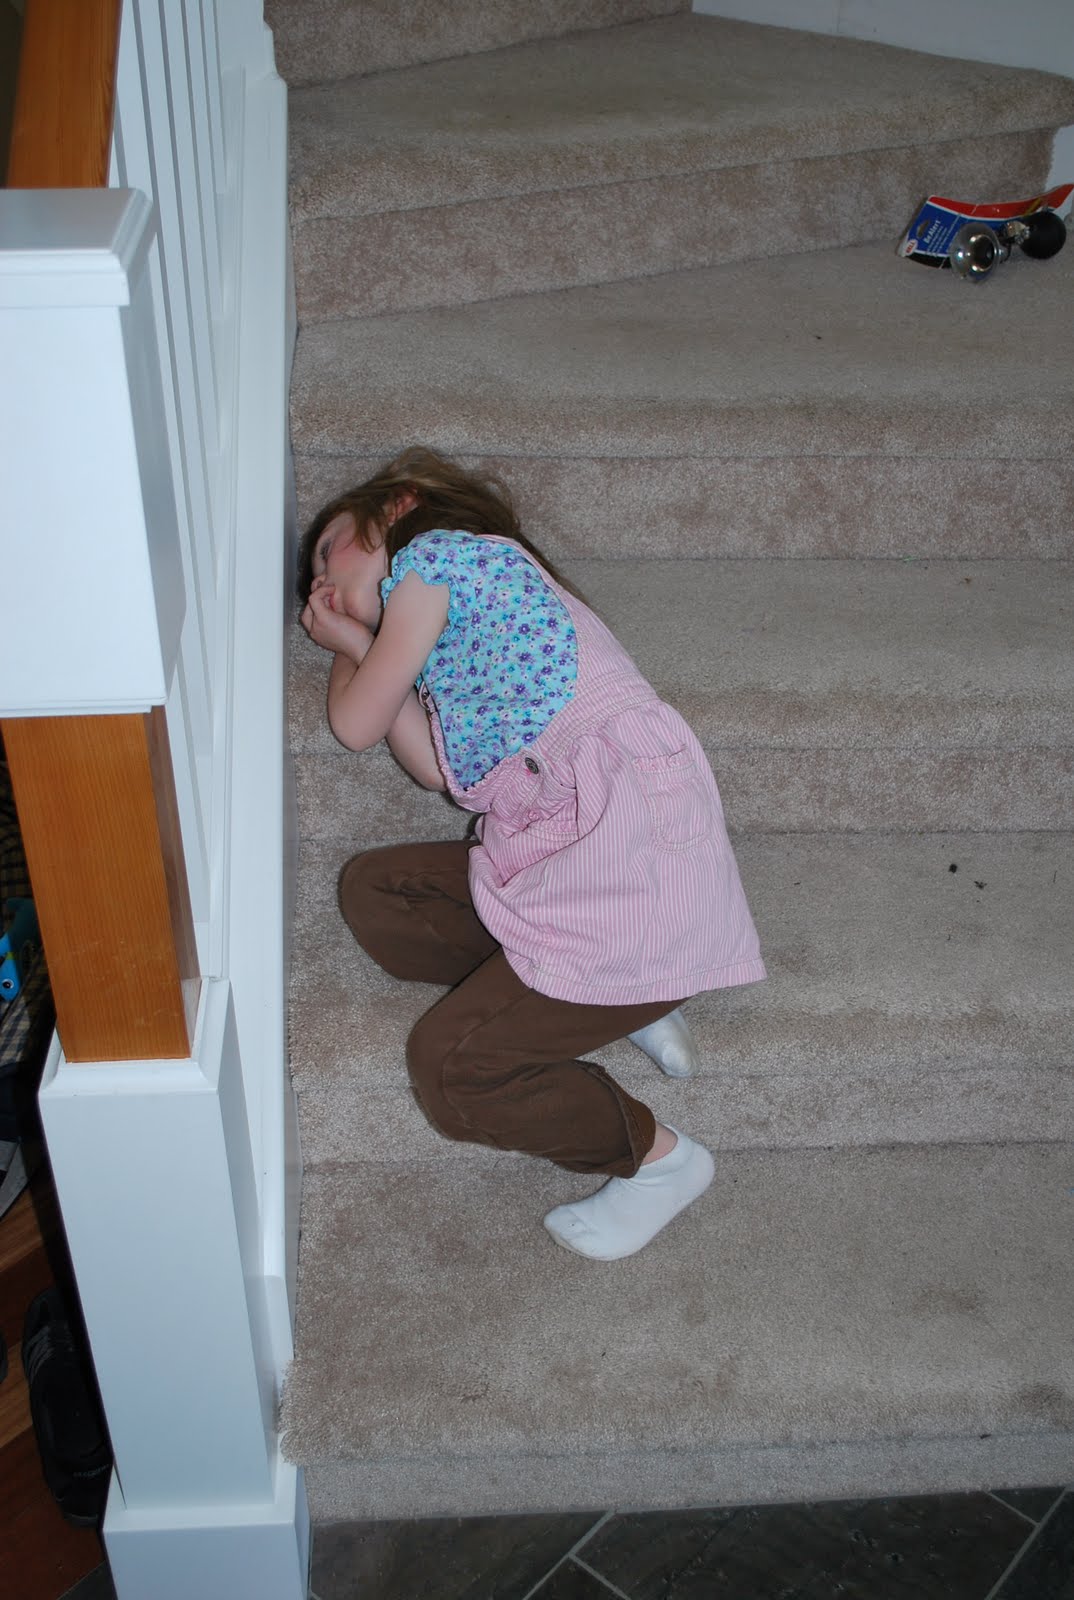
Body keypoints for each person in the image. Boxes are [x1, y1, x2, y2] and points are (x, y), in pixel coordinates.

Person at [298, 447, 765, 1260]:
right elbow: (428, 765)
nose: (320, 579)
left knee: (447, 1070)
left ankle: (657, 1162)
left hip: (630, 864)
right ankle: (625, 999)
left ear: (399, 507)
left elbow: (355, 724)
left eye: (329, 549)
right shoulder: (449, 637)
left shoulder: (438, 563)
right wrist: (360, 634)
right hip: (568, 857)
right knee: (380, 893)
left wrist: (345, 639)